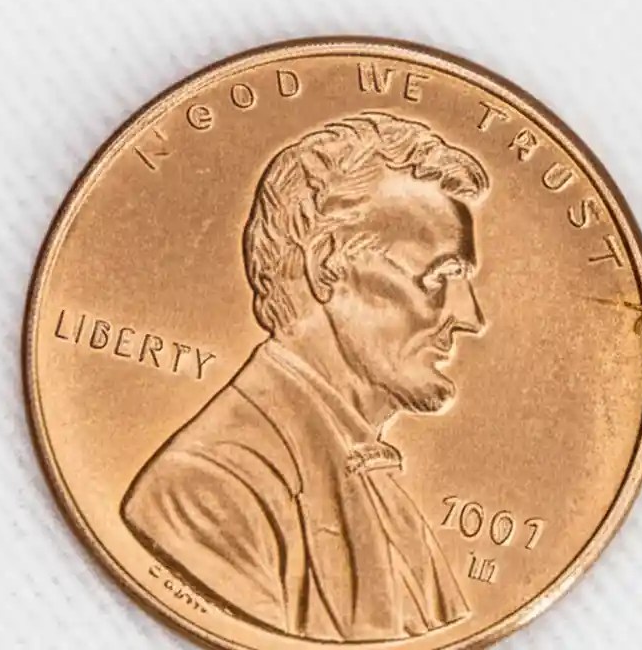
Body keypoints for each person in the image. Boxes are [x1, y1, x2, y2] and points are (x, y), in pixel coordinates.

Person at [121, 111, 489, 641]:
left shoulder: (378, 484)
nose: (470, 317)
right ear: (325, 268)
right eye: (440, 276)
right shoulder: (207, 490)